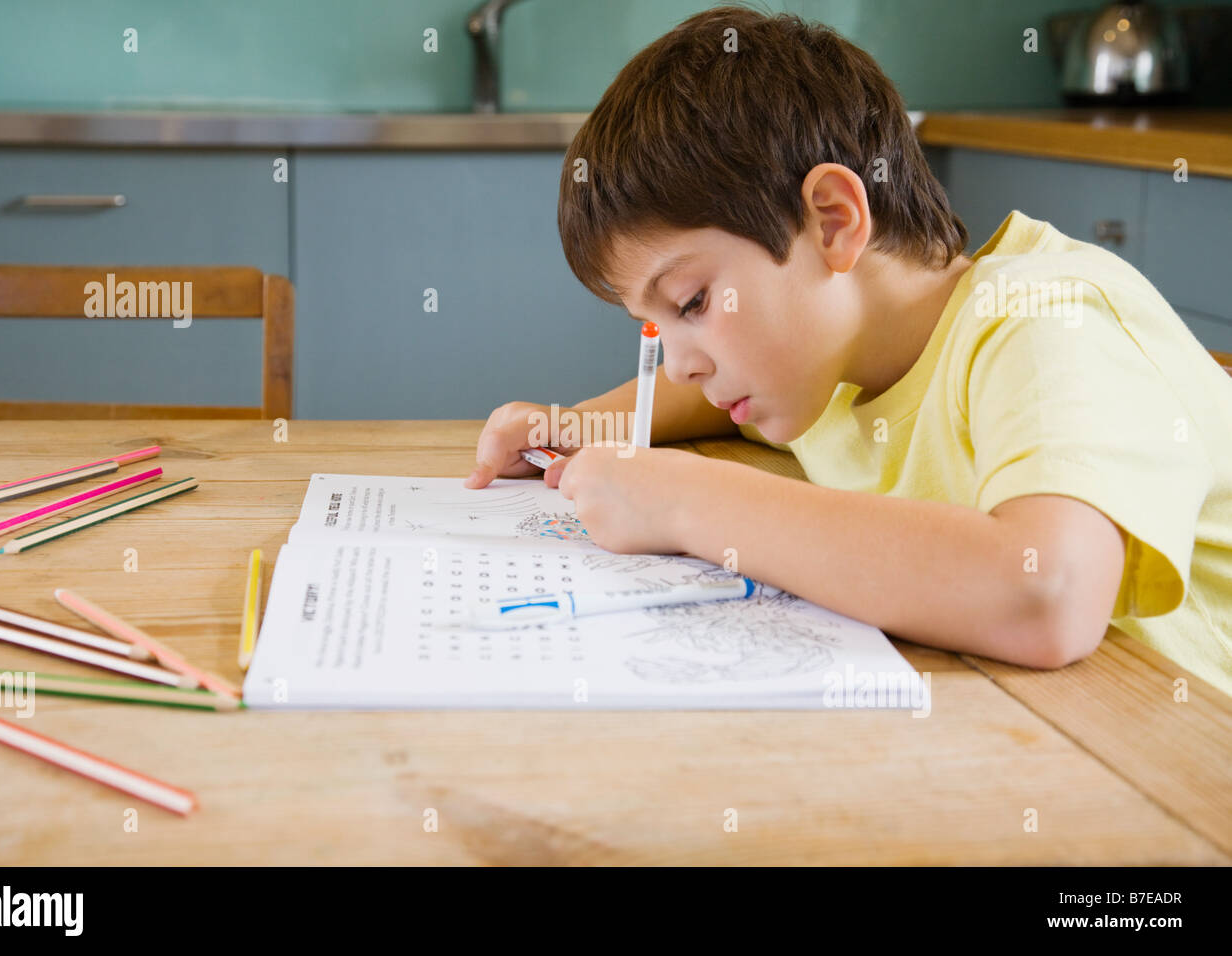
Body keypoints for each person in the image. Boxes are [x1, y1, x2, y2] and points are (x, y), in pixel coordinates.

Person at [463, 6, 1232, 695]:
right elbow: (710, 396)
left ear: (832, 221)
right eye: (660, 328)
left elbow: (1047, 597)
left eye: (694, 303)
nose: (685, 361)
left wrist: (683, 503)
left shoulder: (1046, 321)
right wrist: (583, 425)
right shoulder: (827, 360)